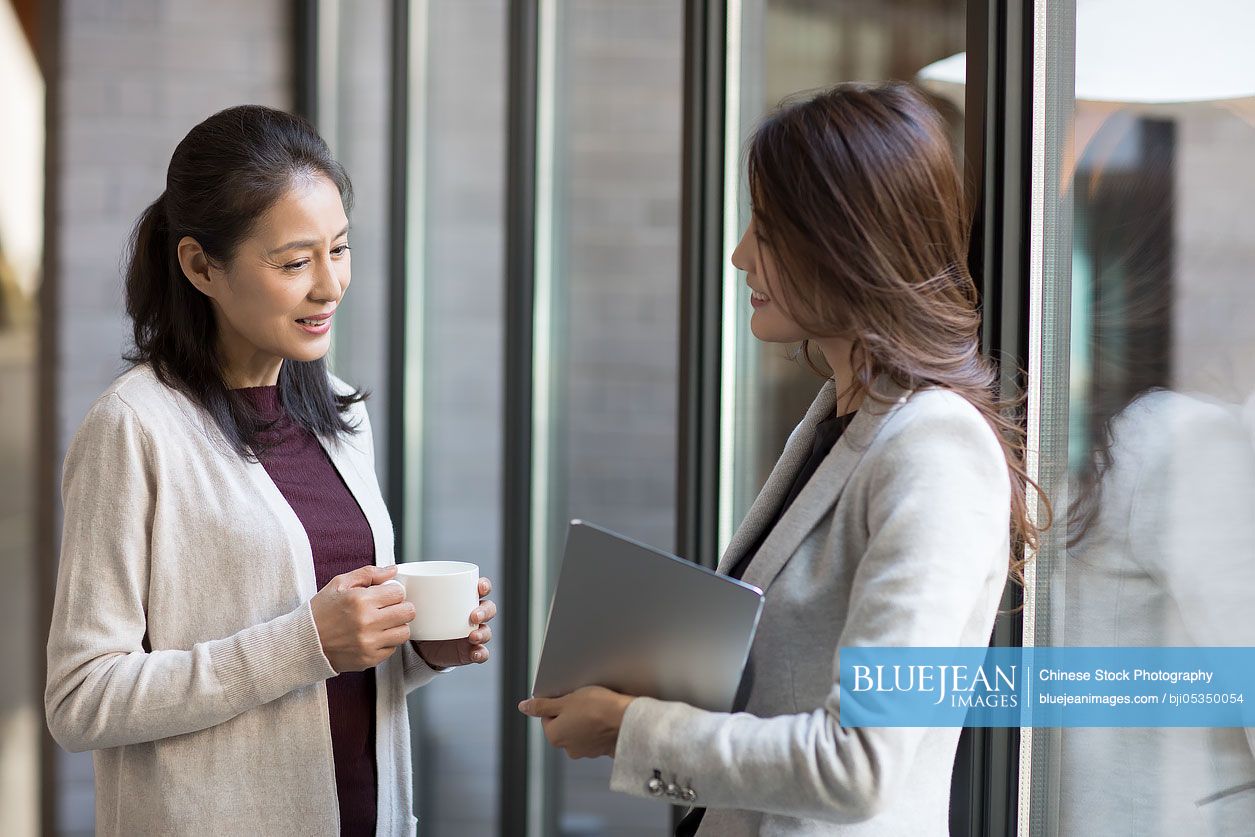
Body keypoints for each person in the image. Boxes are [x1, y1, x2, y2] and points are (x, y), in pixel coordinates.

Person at [519, 81, 1043, 835]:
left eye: (765, 229)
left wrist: (634, 728)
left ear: (844, 241)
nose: (739, 255)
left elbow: (860, 763)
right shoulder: (840, 417)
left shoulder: (934, 449)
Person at [44, 105, 496, 837]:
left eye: (339, 249)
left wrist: (416, 650)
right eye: (293, 262)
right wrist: (304, 642)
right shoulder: (134, 427)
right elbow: (81, 699)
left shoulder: (340, 414)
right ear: (201, 266)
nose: (330, 286)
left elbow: (327, 675)